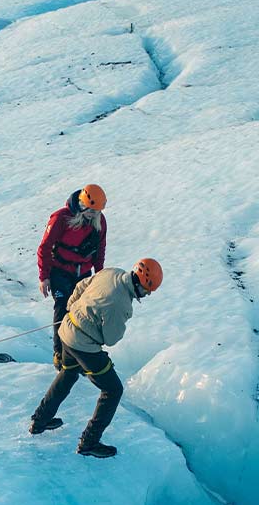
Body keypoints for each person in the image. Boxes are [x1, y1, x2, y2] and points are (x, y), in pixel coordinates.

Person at [28, 258, 162, 458]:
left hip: (66, 330)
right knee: (113, 390)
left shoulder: (112, 272)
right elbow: (111, 338)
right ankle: (89, 442)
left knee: (68, 373)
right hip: (83, 345)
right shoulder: (122, 303)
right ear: (142, 285)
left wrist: (72, 308)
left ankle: (40, 420)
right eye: (148, 290)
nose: (147, 294)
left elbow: (82, 286)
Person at [37, 184, 107, 365]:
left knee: (80, 313)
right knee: (62, 308)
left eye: (96, 211)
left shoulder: (100, 221)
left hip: (83, 273)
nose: (93, 215)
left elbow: (99, 250)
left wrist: (99, 276)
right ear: (82, 204)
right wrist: (44, 277)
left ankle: (77, 354)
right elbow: (44, 248)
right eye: (90, 210)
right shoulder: (61, 218)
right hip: (60, 272)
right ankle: (59, 354)